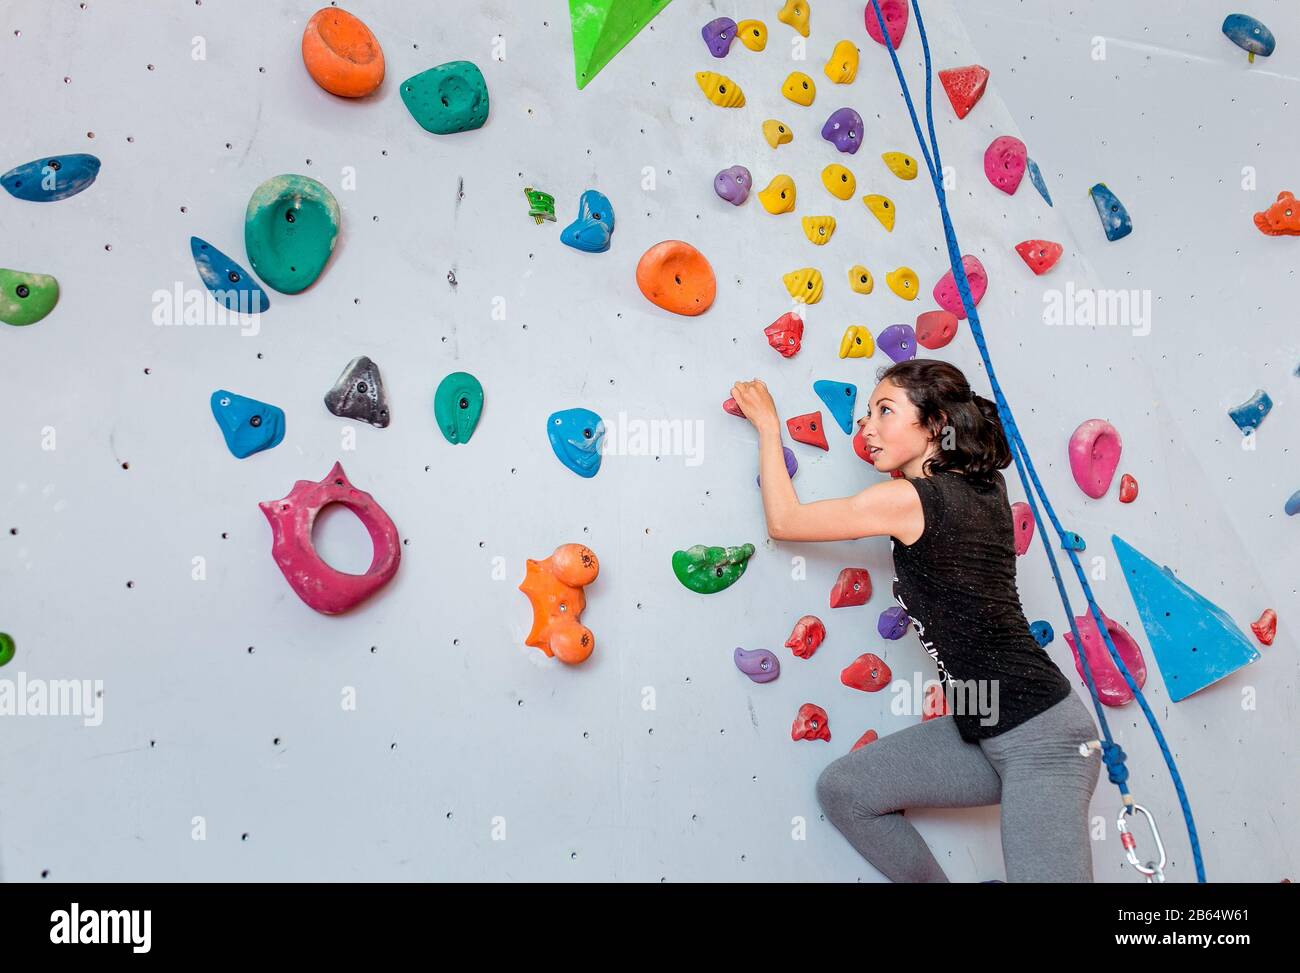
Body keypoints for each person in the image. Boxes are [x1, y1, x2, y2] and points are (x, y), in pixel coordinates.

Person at [729, 358, 1102, 882]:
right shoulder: (984, 487)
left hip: (1043, 738)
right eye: (866, 413)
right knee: (847, 790)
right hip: (988, 726)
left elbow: (786, 522)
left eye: (886, 410)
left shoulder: (911, 500)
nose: (868, 427)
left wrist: (769, 427)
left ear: (935, 425)